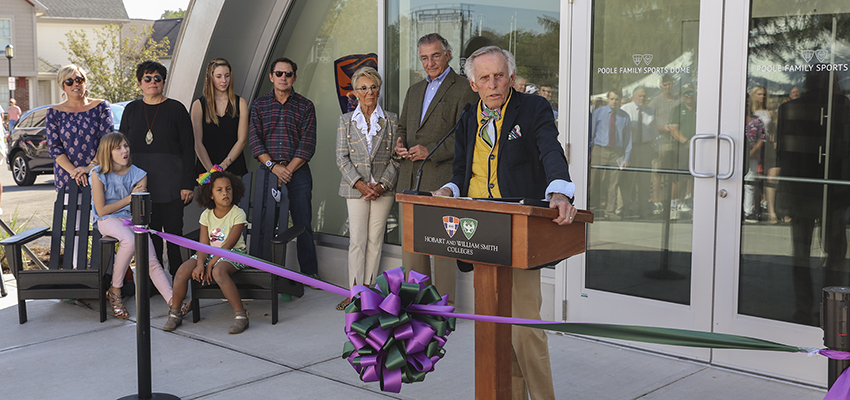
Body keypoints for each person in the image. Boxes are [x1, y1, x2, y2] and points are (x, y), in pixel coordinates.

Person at [433, 45, 577, 400]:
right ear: (473, 83)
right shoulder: (468, 117)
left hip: (520, 231)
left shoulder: (533, 109)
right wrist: (450, 190)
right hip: (479, 233)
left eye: (500, 75)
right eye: (485, 77)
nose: (493, 83)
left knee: (525, 329)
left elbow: (550, 150)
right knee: (497, 330)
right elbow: (461, 170)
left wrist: (559, 191)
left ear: (511, 78)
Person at [394, 33, 478, 304]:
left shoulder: (464, 87)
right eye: (424, 57)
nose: (430, 62)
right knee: (412, 251)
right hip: (410, 180)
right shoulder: (414, 90)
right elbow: (404, 128)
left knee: (442, 250)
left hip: (441, 181)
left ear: (448, 54)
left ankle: (443, 309)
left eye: (435, 56)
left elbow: (466, 135)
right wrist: (398, 143)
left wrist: (430, 150)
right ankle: (417, 306)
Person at [119, 61, 195, 276]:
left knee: (173, 236)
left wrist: (187, 185)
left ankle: (179, 283)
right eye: (148, 78)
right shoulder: (131, 110)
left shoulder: (176, 109)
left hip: (172, 186)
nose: (153, 82)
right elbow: (121, 147)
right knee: (148, 239)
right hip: (141, 189)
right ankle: (152, 283)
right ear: (139, 83)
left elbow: (189, 149)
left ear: (163, 82)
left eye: (157, 78)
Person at [248, 57, 319, 281]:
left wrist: (286, 170)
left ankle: (309, 273)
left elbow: (307, 144)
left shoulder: (306, 106)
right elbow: (254, 141)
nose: (283, 78)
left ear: (294, 78)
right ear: (271, 77)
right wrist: (274, 167)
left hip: (298, 172)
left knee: (303, 223)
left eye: (288, 74)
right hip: (268, 173)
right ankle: (262, 272)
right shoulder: (259, 105)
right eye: (279, 74)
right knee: (265, 222)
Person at [90, 132, 174, 319]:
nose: (124, 150)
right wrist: (130, 198)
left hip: (132, 220)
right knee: (128, 240)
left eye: (126, 145)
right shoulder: (97, 174)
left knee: (151, 259)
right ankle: (115, 290)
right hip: (107, 220)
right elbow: (102, 210)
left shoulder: (139, 174)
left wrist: (134, 200)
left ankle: (173, 302)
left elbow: (139, 206)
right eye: (118, 148)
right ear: (107, 152)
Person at [335, 67, 399, 310]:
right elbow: (341, 158)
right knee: (357, 241)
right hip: (356, 190)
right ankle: (354, 293)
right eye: (363, 88)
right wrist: (361, 185)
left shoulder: (391, 119)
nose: (369, 92)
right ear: (355, 92)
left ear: (379, 89)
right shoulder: (346, 121)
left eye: (373, 87)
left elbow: (396, 158)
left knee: (375, 239)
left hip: (383, 190)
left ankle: (370, 292)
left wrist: (382, 186)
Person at [165, 170, 250, 334]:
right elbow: (203, 244)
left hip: (233, 254)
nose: (225, 193)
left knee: (218, 271)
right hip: (209, 253)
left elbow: (228, 245)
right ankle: (175, 312)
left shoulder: (237, 214)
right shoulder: (206, 215)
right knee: (182, 270)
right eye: (219, 190)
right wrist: (199, 264)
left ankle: (241, 315)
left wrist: (210, 264)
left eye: (228, 188)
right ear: (210, 194)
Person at [47, 65, 114, 191]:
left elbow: (107, 140)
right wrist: (75, 172)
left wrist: (90, 168)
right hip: (67, 177)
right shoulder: (54, 112)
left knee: (102, 211)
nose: (75, 84)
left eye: (79, 80)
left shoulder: (101, 107)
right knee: (72, 210)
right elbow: (54, 147)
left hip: (99, 173)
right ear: (63, 86)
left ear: (85, 82)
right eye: (69, 82)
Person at [192, 58, 249, 177]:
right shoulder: (199, 105)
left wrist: (222, 166)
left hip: (234, 169)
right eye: (219, 76)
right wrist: (212, 171)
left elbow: (242, 140)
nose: (224, 80)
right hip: (206, 171)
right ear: (210, 77)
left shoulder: (241, 103)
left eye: (227, 76)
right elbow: (198, 142)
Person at [589, 89, 632, 220]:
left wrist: (626, 157)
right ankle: (588, 207)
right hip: (599, 149)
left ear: (620, 100)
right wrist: (589, 151)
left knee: (613, 184)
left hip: (616, 152)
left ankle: (610, 211)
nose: (614, 101)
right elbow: (591, 132)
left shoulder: (625, 116)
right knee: (592, 180)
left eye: (617, 99)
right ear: (608, 99)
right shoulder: (599, 113)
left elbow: (628, 138)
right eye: (612, 99)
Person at [620, 86, 657, 217]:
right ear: (634, 96)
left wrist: (655, 149)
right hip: (631, 148)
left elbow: (654, 132)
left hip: (646, 148)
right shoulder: (625, 109)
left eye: (644, 96)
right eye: (639, 96)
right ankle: (628, 207)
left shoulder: (649, 111)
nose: (642, 98)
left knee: (644, 179)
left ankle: (643, 208)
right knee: (629, 179)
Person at [648, 74, 680, 216]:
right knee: (657, 174)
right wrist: (662, 128)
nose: (668, 87)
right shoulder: (655, 101)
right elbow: (648, 122)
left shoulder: (678, 101)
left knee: (674, 176)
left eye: (670, 84)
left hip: (676, 142)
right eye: (665, 84)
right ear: (661, 86)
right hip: (660, 142)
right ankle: (656, 202)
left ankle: (673, 203)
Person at [667, 83, 697, 220]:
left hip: (698, 147)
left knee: (693, 177)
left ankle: (684, 202)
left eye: (691, 93)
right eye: (686, 94)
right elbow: (673, 129)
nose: (689, 96)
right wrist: (686, 142)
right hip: (681, 147)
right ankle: (673, 205)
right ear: (682, 96)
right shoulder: (677, 109)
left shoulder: (700, 107)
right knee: (679, 177)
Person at [743, 93, 765, 222]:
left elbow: (762, 138)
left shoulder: (756, 120)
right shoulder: (731, 118)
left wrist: (751, 152)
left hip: (752, 155)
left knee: (749, 182)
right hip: (734, 155)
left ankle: (748, 211)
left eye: (747, 102)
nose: (746, 104)